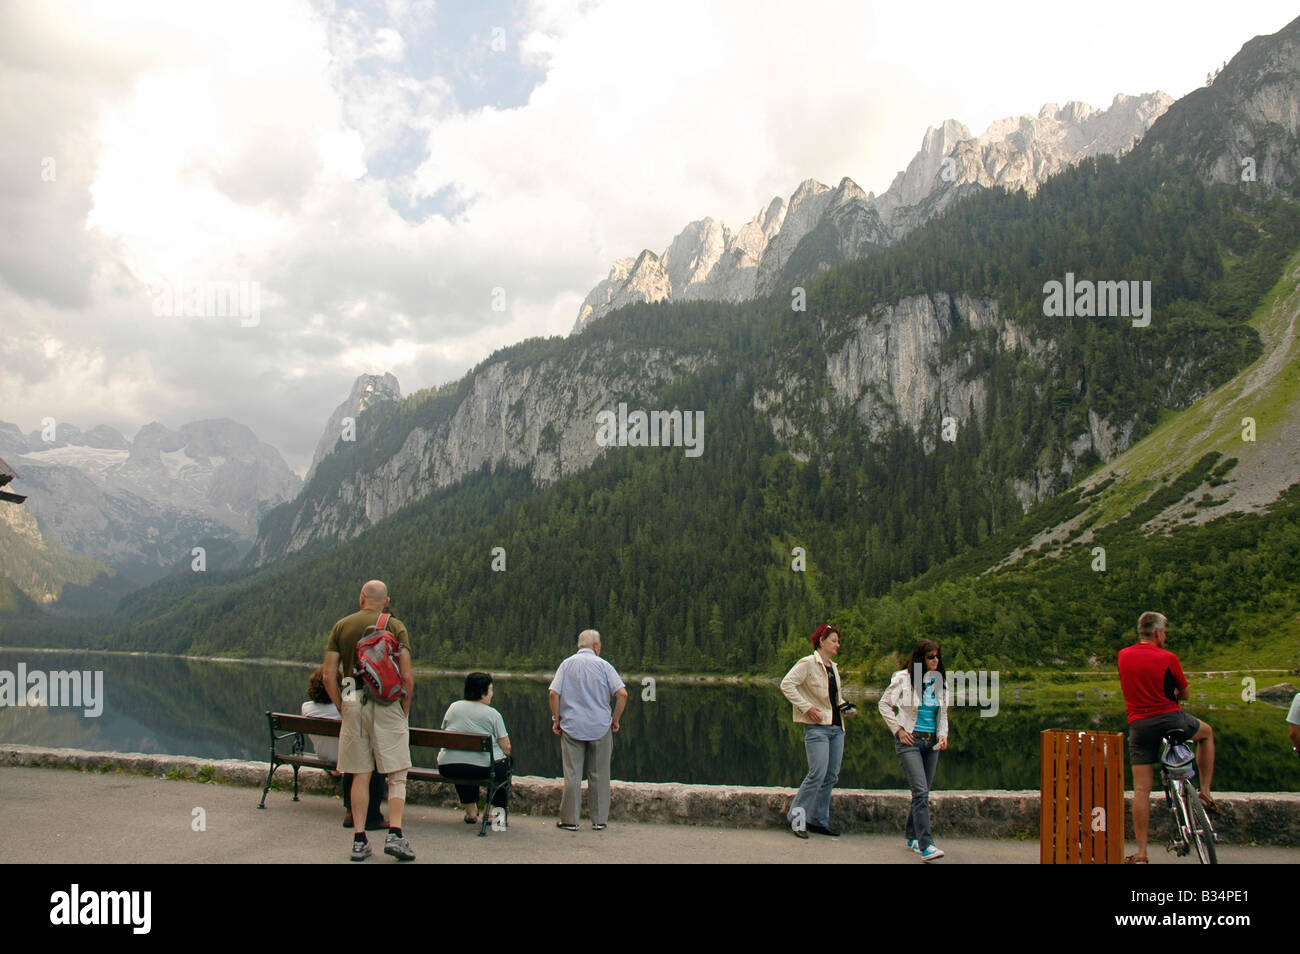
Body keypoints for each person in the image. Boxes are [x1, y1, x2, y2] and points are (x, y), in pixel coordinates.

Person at [322, 580, 416, 862]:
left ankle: (360, 840)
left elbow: (329, 676)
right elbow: (408, 676)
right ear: (386, 601)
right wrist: (404, 709)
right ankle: (396, 835)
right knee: (397, 772)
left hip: (353, 696)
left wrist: (342, 705)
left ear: (361, 598)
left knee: (360, 774)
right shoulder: (395, 626)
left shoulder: (342, 626)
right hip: (388, 701)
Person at [1117, 611, 1216, 865]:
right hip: (1172, 719)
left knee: (1141, 789)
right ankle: (1204, 791)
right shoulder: (1168, 657)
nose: (1166, 636)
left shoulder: (1123, 656)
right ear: (1158, 632)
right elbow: (1185, 694)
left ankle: (1141, 852)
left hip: (1140, 725)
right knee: (1206, 734)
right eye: (1166, 631)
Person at [548, 629, 627, 831]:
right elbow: (622, 694)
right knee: (599, 774)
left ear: (579, 646)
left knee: (573, 775)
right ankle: (599, 820)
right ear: (596, 646)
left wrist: (557, 719)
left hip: (572, 726)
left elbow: (553, 694)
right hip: (600, 727)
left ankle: (570, 820)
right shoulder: (604, 666)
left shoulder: (566, 664)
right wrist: (615, 720)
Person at [878, 639, 949, 861]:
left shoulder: (940, 683)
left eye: (937, 656)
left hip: (931, 744)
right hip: (910, 742)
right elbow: (883, 704)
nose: (935, 660)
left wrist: (943, 734)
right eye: (930, 657)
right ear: (920, 659)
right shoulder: (903, 679)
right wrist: (898, 730)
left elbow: (943, 714)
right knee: (921, 792)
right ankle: (926, 845)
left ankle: (912, 836)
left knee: (922, 792)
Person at [781, 624, 853, 839]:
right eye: (834, 641)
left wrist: (845, 706)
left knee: (831, 776)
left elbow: (833, 698)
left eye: (838, 642)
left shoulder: (833, 667)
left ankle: (818, 820)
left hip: (837, 727)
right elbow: (787, 685)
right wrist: (805, 707)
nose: (837, 645)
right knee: (817, 773)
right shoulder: (808, 664)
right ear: (822, 641)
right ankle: (798, 819)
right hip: (817, 729)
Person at [301, 666, 386, 831]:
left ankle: (350, 812)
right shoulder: (343, 709)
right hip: (344, 757)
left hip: (323, 756)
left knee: (353, 759)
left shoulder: (306, 708)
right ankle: (370, 815)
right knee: (367, 761)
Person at [438, 672, 513, 826]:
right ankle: (493, 815)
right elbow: (507, 747)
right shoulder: (493, 714)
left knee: (463, 762)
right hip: (482, 769)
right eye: (490, 690)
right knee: (504, 767)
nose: (492, 693)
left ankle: (471, 812)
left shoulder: (453, 707)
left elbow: (444, 731)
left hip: (449, 767)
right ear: (482, 692)